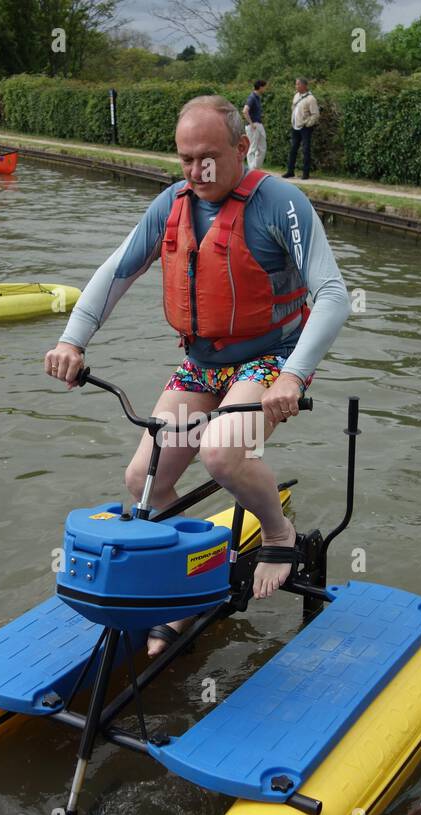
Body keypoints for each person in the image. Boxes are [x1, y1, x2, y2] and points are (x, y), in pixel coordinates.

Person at [43, 95, 350, 657]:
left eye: (208, 156)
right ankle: (188, 581)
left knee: (223, 453)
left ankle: (279, 535)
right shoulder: (171, 205)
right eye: (185, 158)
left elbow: (332, 294)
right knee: (144, 478)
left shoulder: (280, 203)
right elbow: (115, 273)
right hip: (204, 363)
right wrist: (73, 339)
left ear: (242, 148)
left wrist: (294, 377)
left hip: (271, 356)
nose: (196, 171)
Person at [283, 78, 320, 180]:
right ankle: (290, 172)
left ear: (304, 86)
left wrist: (307, 124)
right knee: (293, 149)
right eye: (296, 84)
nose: (296, 86)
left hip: (304, 128)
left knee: (305, 150)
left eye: (298, 84)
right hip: (295, 127)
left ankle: (305, 173)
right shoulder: (296, 96)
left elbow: (315, 114)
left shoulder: (311, 99)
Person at [242, 80, 267, 171]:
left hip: (258, 124)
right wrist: (251, 124)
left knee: (262, 147)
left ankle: (255, 168)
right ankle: (252, 170)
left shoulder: (257, 97)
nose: (265, 89)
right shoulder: (252, 97)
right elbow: (245, 111)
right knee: (252, 148)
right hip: (253, 126)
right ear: (260, 87)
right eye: (264, 87)